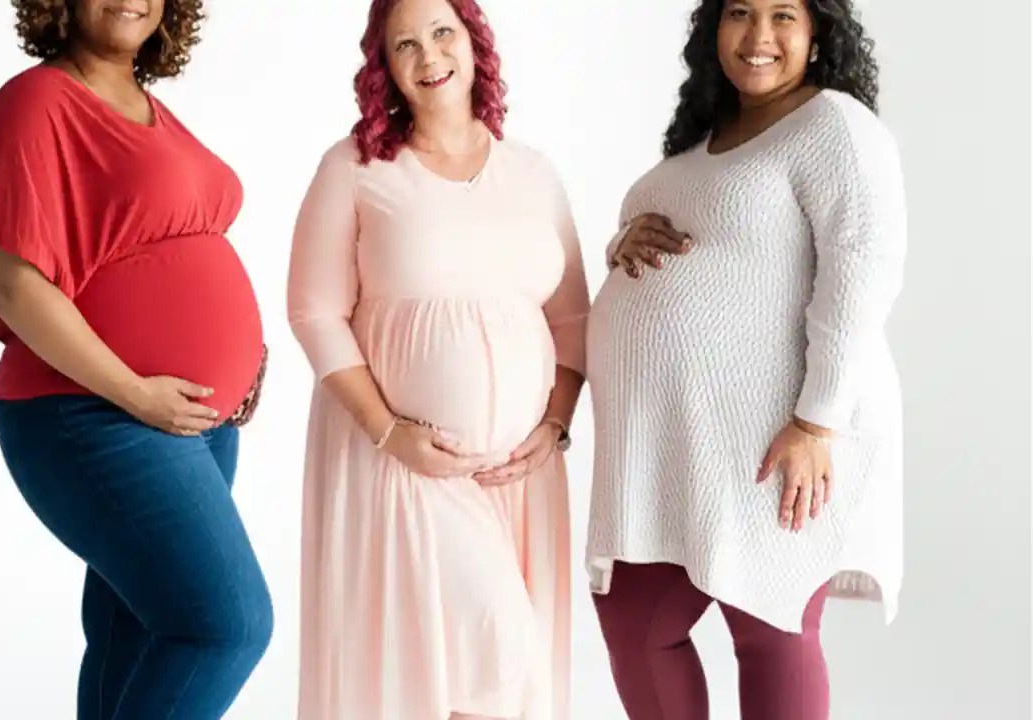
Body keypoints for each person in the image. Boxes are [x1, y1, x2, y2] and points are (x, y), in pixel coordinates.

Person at [0, 2, 272, 718]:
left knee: (136, 633)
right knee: (226, 627)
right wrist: (134, 390)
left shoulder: (156, 111)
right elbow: (10, 279)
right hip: (90, 414)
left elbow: (173, 255)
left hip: (188, 423)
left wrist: (242, 356)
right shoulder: (36, 102)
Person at [583, 0, 905, 718]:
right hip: (679, 449)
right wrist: (621, 242)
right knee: (636, 626)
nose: (759, 37)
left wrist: (817, 423)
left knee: (771, 623)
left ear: (818, 29)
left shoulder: (834, 127)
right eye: (739, 13)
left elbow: (863, 273)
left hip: (777, 439)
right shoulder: (711, 135)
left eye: (782, 15)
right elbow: (662, 217)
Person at [286, 0, 590, 718]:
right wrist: (391, 432)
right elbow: (314, 312)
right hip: (400, 466)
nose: (429, 57)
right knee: (484, 653)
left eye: (443, 33)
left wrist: (554, 425)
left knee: (483, 679)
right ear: (384, 67)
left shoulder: (533, 174)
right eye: (405, 45)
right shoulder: (356, 168)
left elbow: (573, 317)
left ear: (475, 44)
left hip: (517, 474)